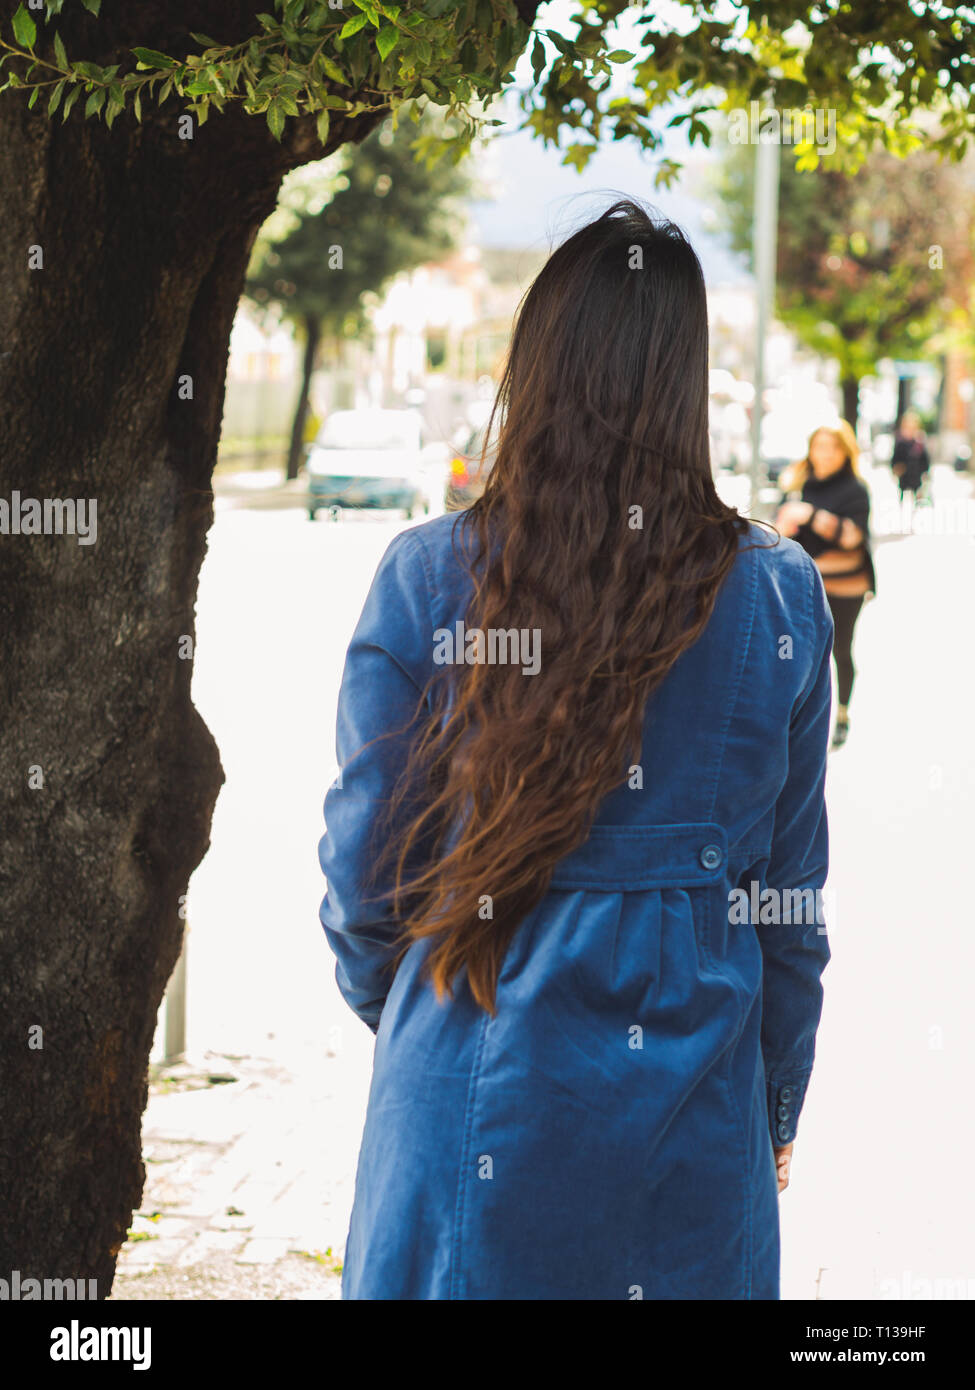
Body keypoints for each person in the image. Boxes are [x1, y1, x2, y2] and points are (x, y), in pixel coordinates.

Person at [318, 201, 832, 1301]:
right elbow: (790, 905)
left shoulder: (423, 577)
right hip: (696, 1125)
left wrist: (420, 1021)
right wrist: (774, 1100)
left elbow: (365, 882)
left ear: (536, 366)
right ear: (685, 381)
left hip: (467, 1104)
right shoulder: (776, 592)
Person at [776, 421, 875, 750]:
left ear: (845, 452)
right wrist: (787, 522)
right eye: (819, 446)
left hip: (846, 588)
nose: (825, 454)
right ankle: (798, 721)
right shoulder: (798, 485)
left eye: (832, 447)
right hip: (804, 586)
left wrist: (810, 515)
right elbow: (781, 537)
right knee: (797, 653)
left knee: (840, 650)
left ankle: (843, 715)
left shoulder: (856, 490)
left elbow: (852, 539)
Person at [890, 410, 931, 516]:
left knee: (915, 498)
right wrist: (896, 469)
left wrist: (925, 473)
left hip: (916, 476)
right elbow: (895, 459)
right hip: (904, 475)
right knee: (903, 496)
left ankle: (913, 516)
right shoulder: (900, 442)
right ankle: (902, 515)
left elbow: (925, 460)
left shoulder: (919, 442)